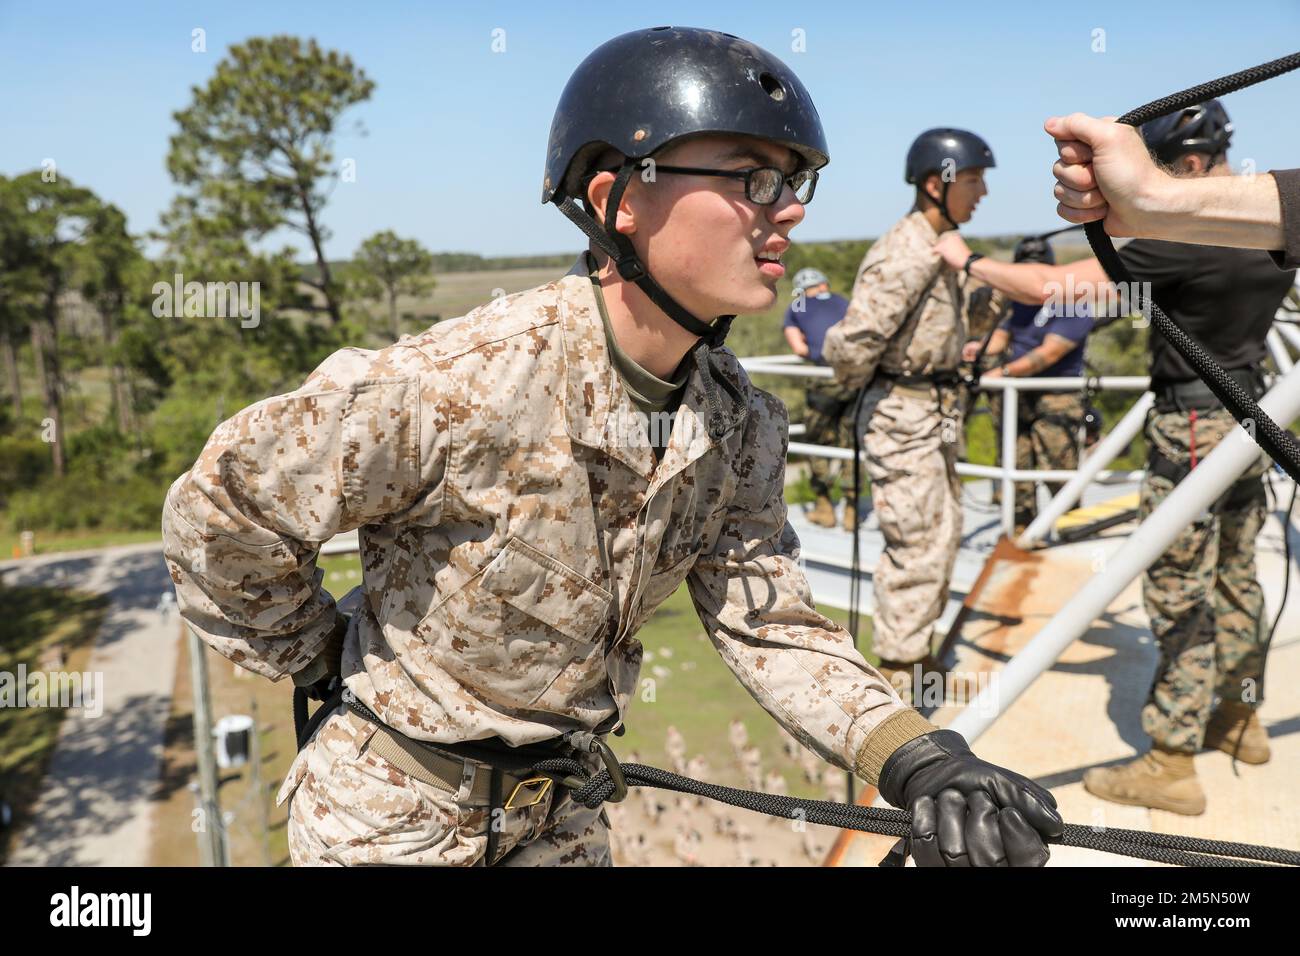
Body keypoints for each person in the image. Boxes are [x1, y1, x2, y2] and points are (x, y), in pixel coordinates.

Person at [162, 27, 1062, 867]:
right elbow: (223, 510)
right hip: (387, 821)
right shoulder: (460, 383)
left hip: (563, 817)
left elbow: (769, 622)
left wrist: (919, 760)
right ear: (617, 199)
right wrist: (323, 656)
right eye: (751, 179)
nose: (784, 212)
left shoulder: (739, 425)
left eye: (794, 183)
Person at [937, 100, 1296, 814]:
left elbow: (1054, 289)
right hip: (1250, 414)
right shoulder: (1272, 236)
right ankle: (1238, 719)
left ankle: (1170, 761)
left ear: (1188, 165)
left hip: (1191, 425)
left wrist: (969, 260)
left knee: (1176, 590)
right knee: (1234, 577)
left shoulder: (1188, 241)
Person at [822, 128, 1005, 703]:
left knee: (941, 532)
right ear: (937, 183)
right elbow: (853, 343)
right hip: (904, 414)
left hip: (934, 410)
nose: (982, 194)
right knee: (916, 541)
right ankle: (901, 680)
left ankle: (917, 656)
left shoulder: (942, 244)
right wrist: (855, 391)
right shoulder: (908, 251)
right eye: (974, 181)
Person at [1044, 110, 1300, 268]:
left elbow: (1052, 287)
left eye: (1162, 167)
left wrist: (1149, 197)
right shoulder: (1269, 246)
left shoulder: (1181, 244)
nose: (1162, 176)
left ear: (1191, 163)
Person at [972, 235, 1094, 534]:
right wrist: (977, 350)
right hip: (1018, 396)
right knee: (1018, 467)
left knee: (1058, 469)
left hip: (1056, 396)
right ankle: (1022, 534)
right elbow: (1002, 335)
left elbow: (1049, 353)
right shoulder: (1018, 302)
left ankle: (1070, 533)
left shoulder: (1073, 299)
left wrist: (1004, 372)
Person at [782, 267, 858, 529]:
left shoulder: (797, 306)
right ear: (824, 284)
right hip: (854, 377)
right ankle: (852, 511)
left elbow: (799, 348)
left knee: (818, 442)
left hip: (823, 381)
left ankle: (825, 507)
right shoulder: (844, 302)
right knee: (851, 442)